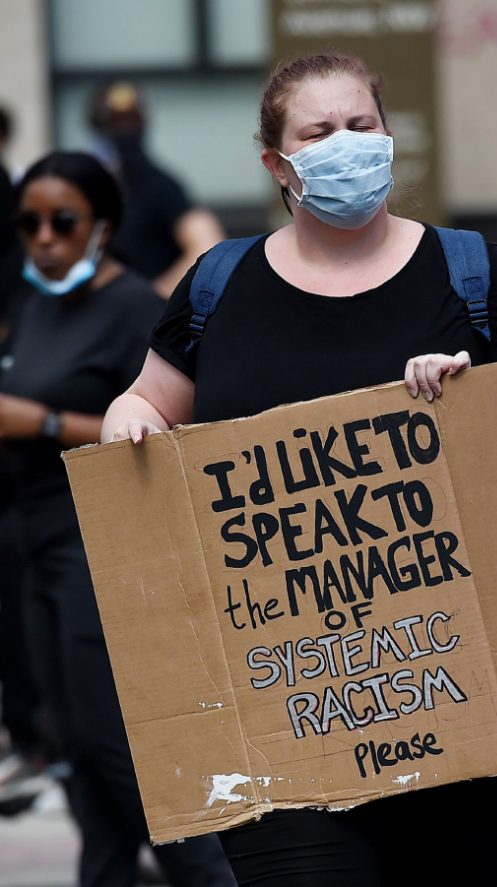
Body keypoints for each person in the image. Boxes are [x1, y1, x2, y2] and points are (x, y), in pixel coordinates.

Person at [101, 54, 497, 887]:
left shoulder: (476, 274)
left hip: (450, 687)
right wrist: (130, 425)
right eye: (319, 132)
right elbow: (148, 404)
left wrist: (487, 406)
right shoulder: (218, 285)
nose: (346, 145)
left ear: (389, 136)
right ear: (277, 162)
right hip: (269, 696)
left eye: (360, 126)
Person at [0, 151, 235, 886]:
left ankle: (210, 874)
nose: (44, 238)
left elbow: (159, 424)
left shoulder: (134, 306)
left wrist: (36, 422)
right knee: (68, 744)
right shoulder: (31, 304)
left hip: (99, 544)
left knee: (115, 744)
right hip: (33, 544)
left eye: (62, 221)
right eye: (29, 223)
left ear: (101, 226)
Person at [88, 81, 225, 297]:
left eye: (131, 122)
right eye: (114, 123)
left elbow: (208, 245)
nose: (124, 132)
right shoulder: (86, 188)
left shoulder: (158, 186)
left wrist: (152, 298)